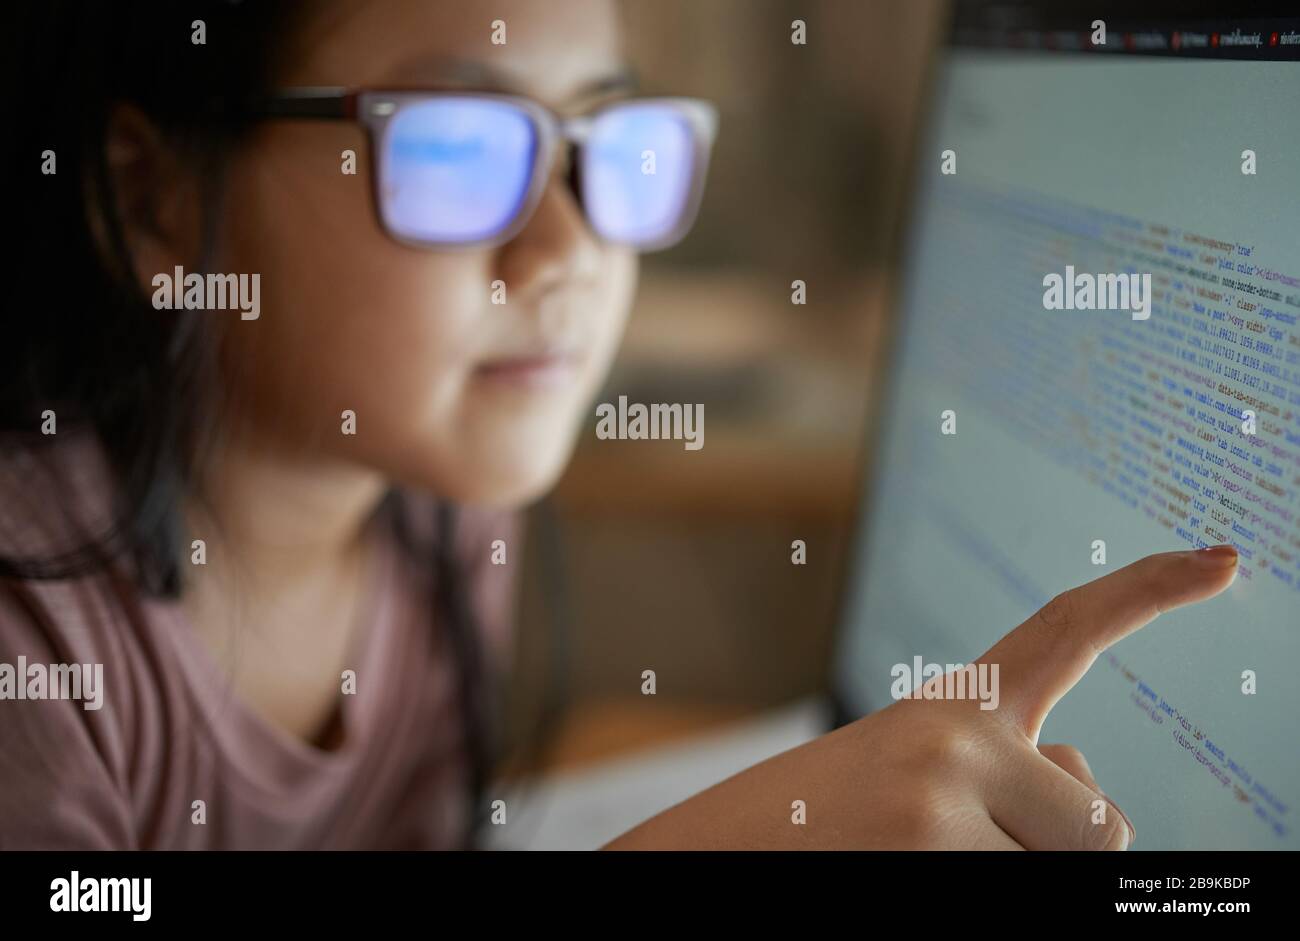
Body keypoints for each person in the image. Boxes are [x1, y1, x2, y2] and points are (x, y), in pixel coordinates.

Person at [0, 0, 1238, 850]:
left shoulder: (444, 512)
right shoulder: (37, 649)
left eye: (607, 142)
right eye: (455, 146)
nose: (568, 247)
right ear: (151, 199)